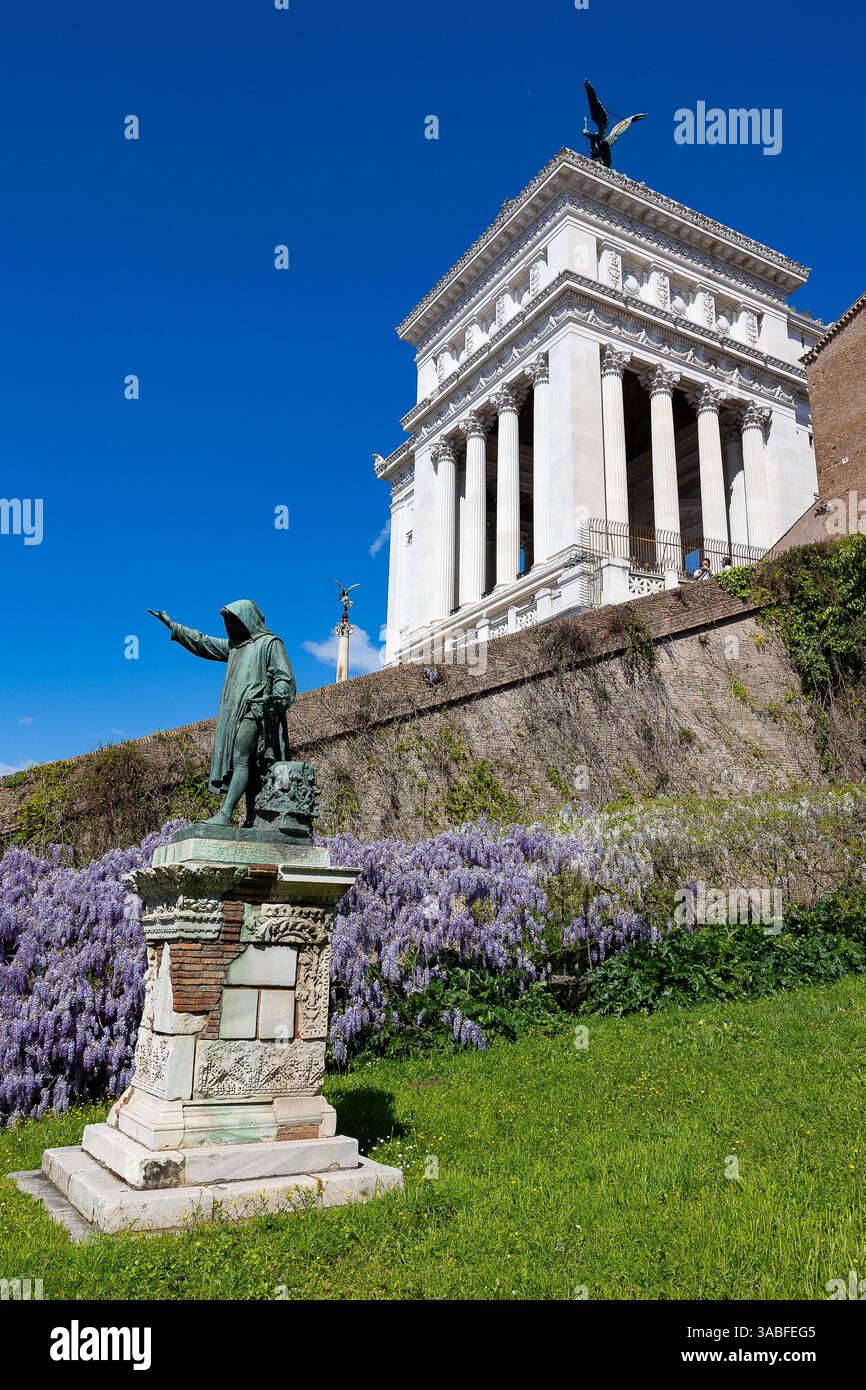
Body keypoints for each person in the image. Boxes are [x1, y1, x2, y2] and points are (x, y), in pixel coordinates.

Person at [147, 600, 296, 827]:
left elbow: (283, 676)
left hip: (255, 710)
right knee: (252, 768)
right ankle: (252, 819)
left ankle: (225, 814)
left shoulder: (270, 643)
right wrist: (174, 627)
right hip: (234, 712)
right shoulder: (235, 648)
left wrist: (276, 697)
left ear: (247, 619)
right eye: (228, 623)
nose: (231, 628)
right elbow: (203, 642)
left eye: (234, 622)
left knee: (242, 759)